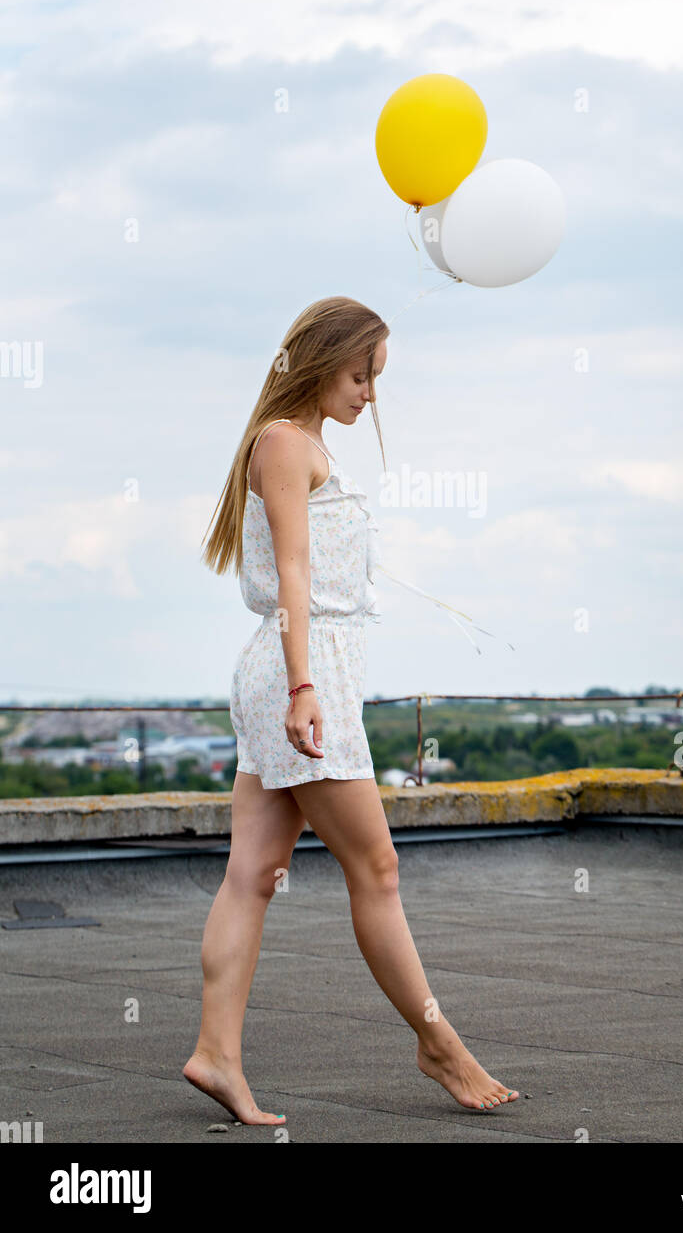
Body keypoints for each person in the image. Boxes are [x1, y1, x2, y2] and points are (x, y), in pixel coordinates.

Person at [184, 295, 518, 1124]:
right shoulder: (285, 443)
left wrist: (296, 683)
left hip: (292, 670)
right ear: (322, 359)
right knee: (377, 869)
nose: (371, 392)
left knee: (252, 874)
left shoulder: (291, 445)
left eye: (377, 378)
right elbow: (294, 576)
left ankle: (216, 1054)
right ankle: (436, 1040)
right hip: (304, 674)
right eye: (362, 372)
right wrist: (304, 690)